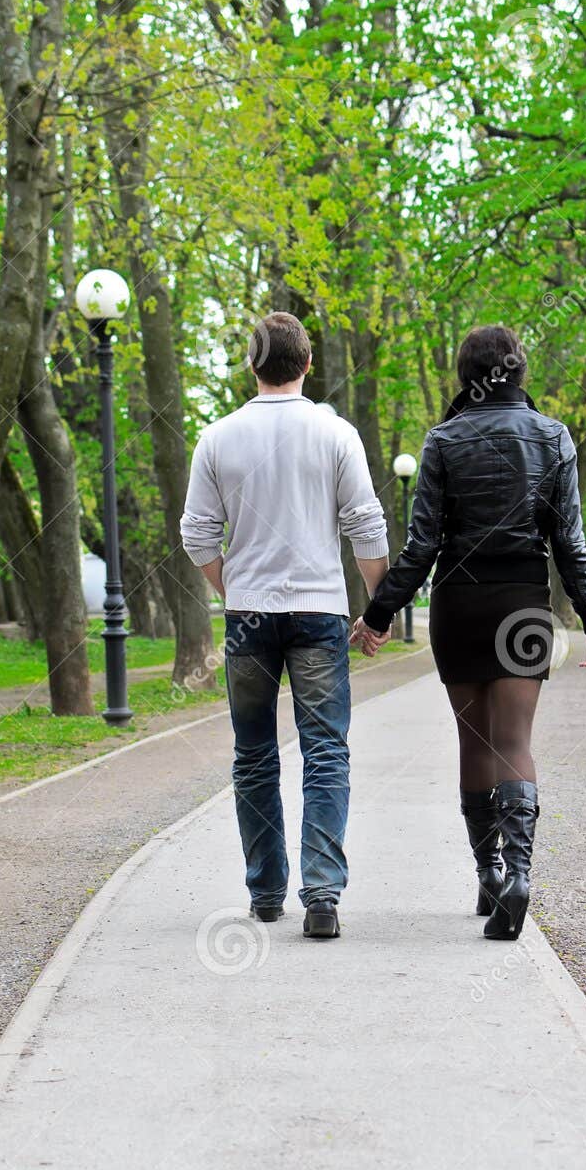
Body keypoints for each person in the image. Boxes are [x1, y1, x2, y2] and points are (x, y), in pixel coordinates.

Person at [351, 324, 586, 942]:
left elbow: (422, 546)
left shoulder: (444, 440)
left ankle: (489, 875)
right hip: (523, 605)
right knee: (513, 742)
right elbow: (568, 541)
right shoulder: (553, 437)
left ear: (467, 375)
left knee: (474, 746)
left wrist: (379, 614)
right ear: (518, 372)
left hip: (460, 604)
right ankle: (519, 877)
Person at [181, 311, 391, 939]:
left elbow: (197, 535)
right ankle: (322, 897)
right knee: (325, 751)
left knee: (253, 754)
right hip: (319, 611)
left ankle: (267, 894)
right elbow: (366, 525)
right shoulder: (336, 434)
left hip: (249, 618)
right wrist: (377, 609)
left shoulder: (217, 437)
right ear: (307, 364)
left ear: (252, 364)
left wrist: (235, 590)